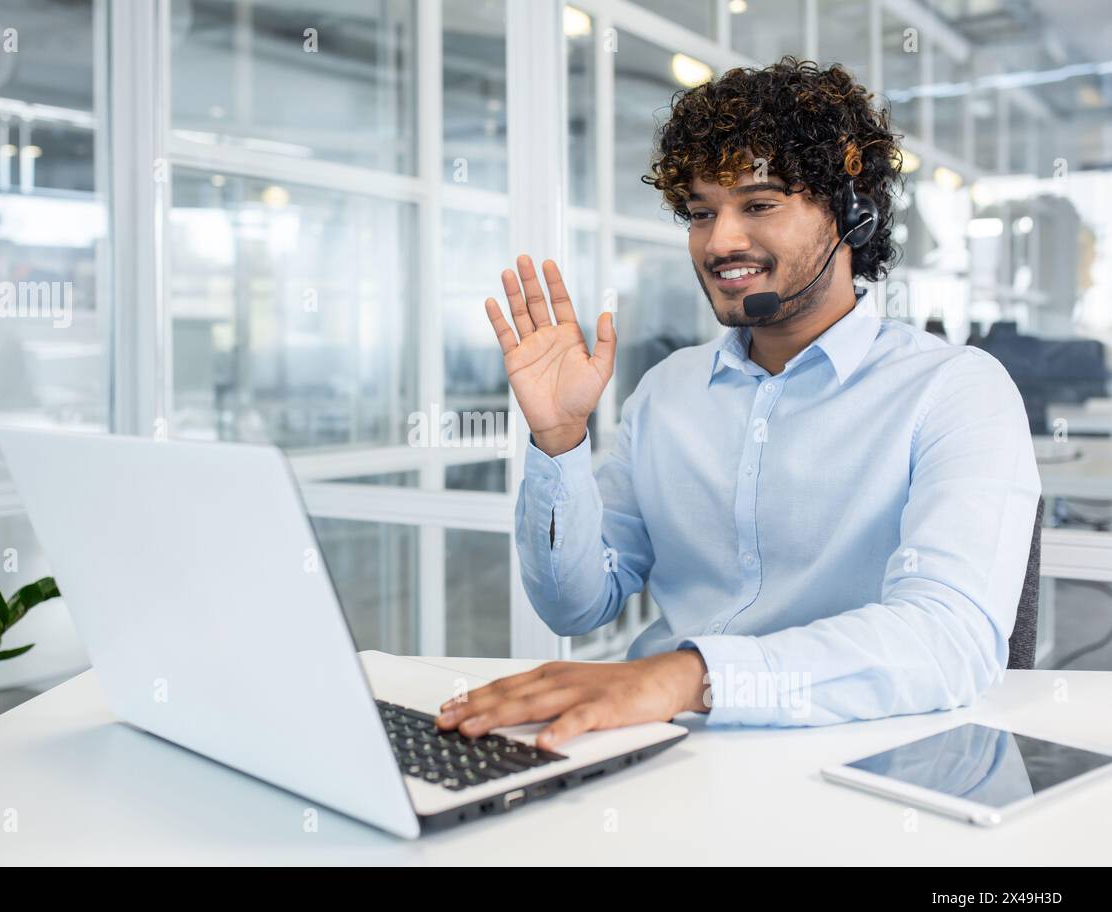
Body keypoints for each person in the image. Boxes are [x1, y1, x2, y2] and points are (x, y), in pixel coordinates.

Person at [435, 56, 1041, 749]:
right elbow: (576, 604)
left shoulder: (955, 390)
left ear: (853, 213)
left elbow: (949, 638)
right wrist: (560, 440)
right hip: (661, 749)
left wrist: (684, 677)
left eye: (759, 204)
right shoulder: (667, 392)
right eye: (700, 212)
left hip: (852, 760)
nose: (720, 241)